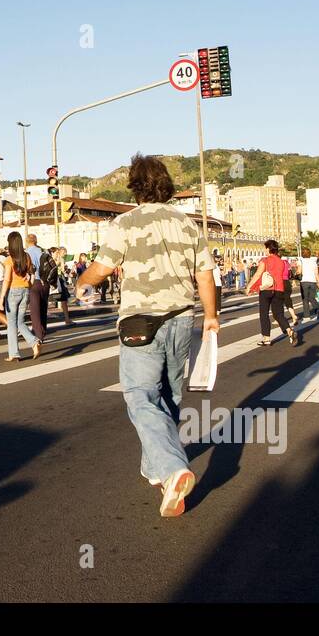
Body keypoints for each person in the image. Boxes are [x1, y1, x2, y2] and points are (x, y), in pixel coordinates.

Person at [76, 154, 218, 519]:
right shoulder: (188, 224)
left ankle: (173, 469)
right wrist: (212, 317)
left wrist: (83, 283)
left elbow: (102, 268)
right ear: (166, 185)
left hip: (141, 322)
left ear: (135, 186)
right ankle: (155, 469)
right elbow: (205, 276)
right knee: (170, 396)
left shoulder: (125, 223)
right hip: (182, 318)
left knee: (140, 397)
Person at [0, 232, 41, 362]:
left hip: (12, 292)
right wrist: (28, 284)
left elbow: (6, 280)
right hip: (25, 290)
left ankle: (14, 353)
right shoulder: (26, 256)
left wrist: (1, 299)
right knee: (20, 321)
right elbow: (33, 274)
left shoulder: (9, 259)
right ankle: (34, 342)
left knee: (11, 324)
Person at [246, 240, 297, 346]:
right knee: (278, 314)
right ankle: (289, 331)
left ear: (269, 248)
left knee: (264, 314)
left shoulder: (265, 260)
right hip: (279, 289)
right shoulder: (281, 261)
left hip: (267, 289)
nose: (264, 250)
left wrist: (249, 286)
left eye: (265, 248)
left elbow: (258, 274)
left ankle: (266, 338)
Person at [298, 248, 319, 322]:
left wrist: (296, 273)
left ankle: (307, 316)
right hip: (313, 281)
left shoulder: (301, 261)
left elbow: (299, 271)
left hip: (304, 281)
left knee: (305, 299)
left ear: (302, 254)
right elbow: (316, 273)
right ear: (309, 254)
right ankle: (318, 308)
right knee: (312, 298)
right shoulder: (313, 262)